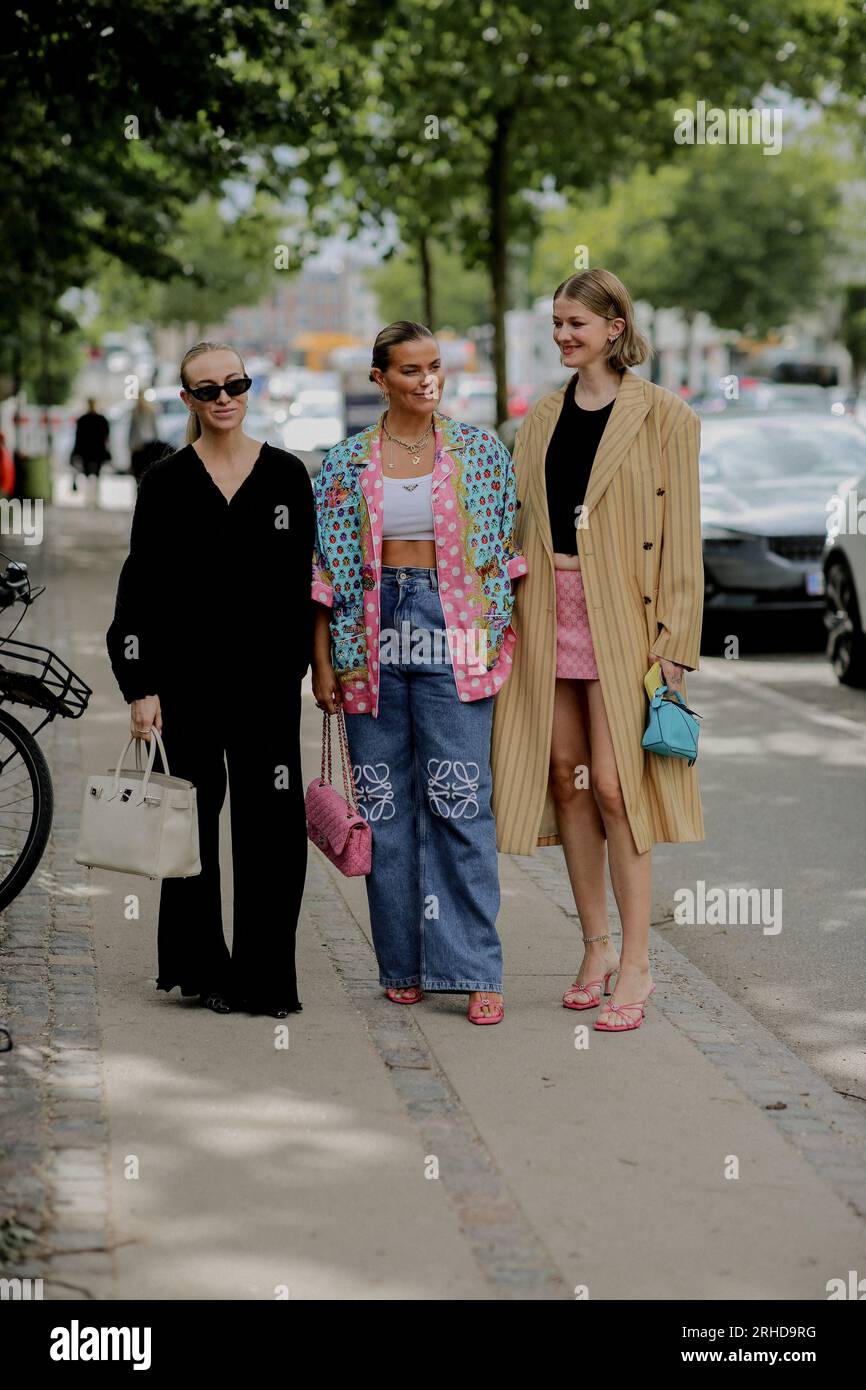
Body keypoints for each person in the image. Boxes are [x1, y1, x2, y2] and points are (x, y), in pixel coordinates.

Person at [491, 268, 705, 1034]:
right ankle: (594, 948)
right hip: (549, 608)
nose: (561, 335)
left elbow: (683, 536)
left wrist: (676, 644)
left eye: (574, 323)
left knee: (617, 787)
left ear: (615, 327)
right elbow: (519, 527)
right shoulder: (541, 418)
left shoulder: (665, 417)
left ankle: (639, 963)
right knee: (566, 780)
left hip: (627, 620)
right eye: (554, 323)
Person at [310, 321, 528, 1025]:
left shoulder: (480, 452)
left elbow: (502, 555)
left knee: (460, 801)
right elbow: (323, 575)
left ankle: (473, 967)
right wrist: (322, 664)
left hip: (451, 632)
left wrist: (495, 638)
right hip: (368, 638)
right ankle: (402, 962)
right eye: (410, 370)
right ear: (379, 378)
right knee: (383, 807)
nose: (427, 380)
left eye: (434, 367)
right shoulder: (344, 463)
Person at [106, 341, 315, 1017]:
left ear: (249, 387)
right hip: (186, 683)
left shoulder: (286, 476)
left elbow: (310, 587)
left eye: (235, 384)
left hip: (268, 684)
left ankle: (264, 977)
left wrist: (321, 667)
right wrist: (140, 687)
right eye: (207, 389)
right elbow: (139, 591)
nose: (224, 397)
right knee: (188, 823)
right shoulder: (166, 484)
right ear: (187, 400)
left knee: (273, 828)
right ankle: (201, 967)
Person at [71, 398, 111, 506]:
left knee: (95, 474)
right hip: (89, 451)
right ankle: (91, 497)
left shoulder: (90, 419)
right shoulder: (91, 419)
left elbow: (106, 437)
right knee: (89, 474)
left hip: (94, 451)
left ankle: (94, 497)